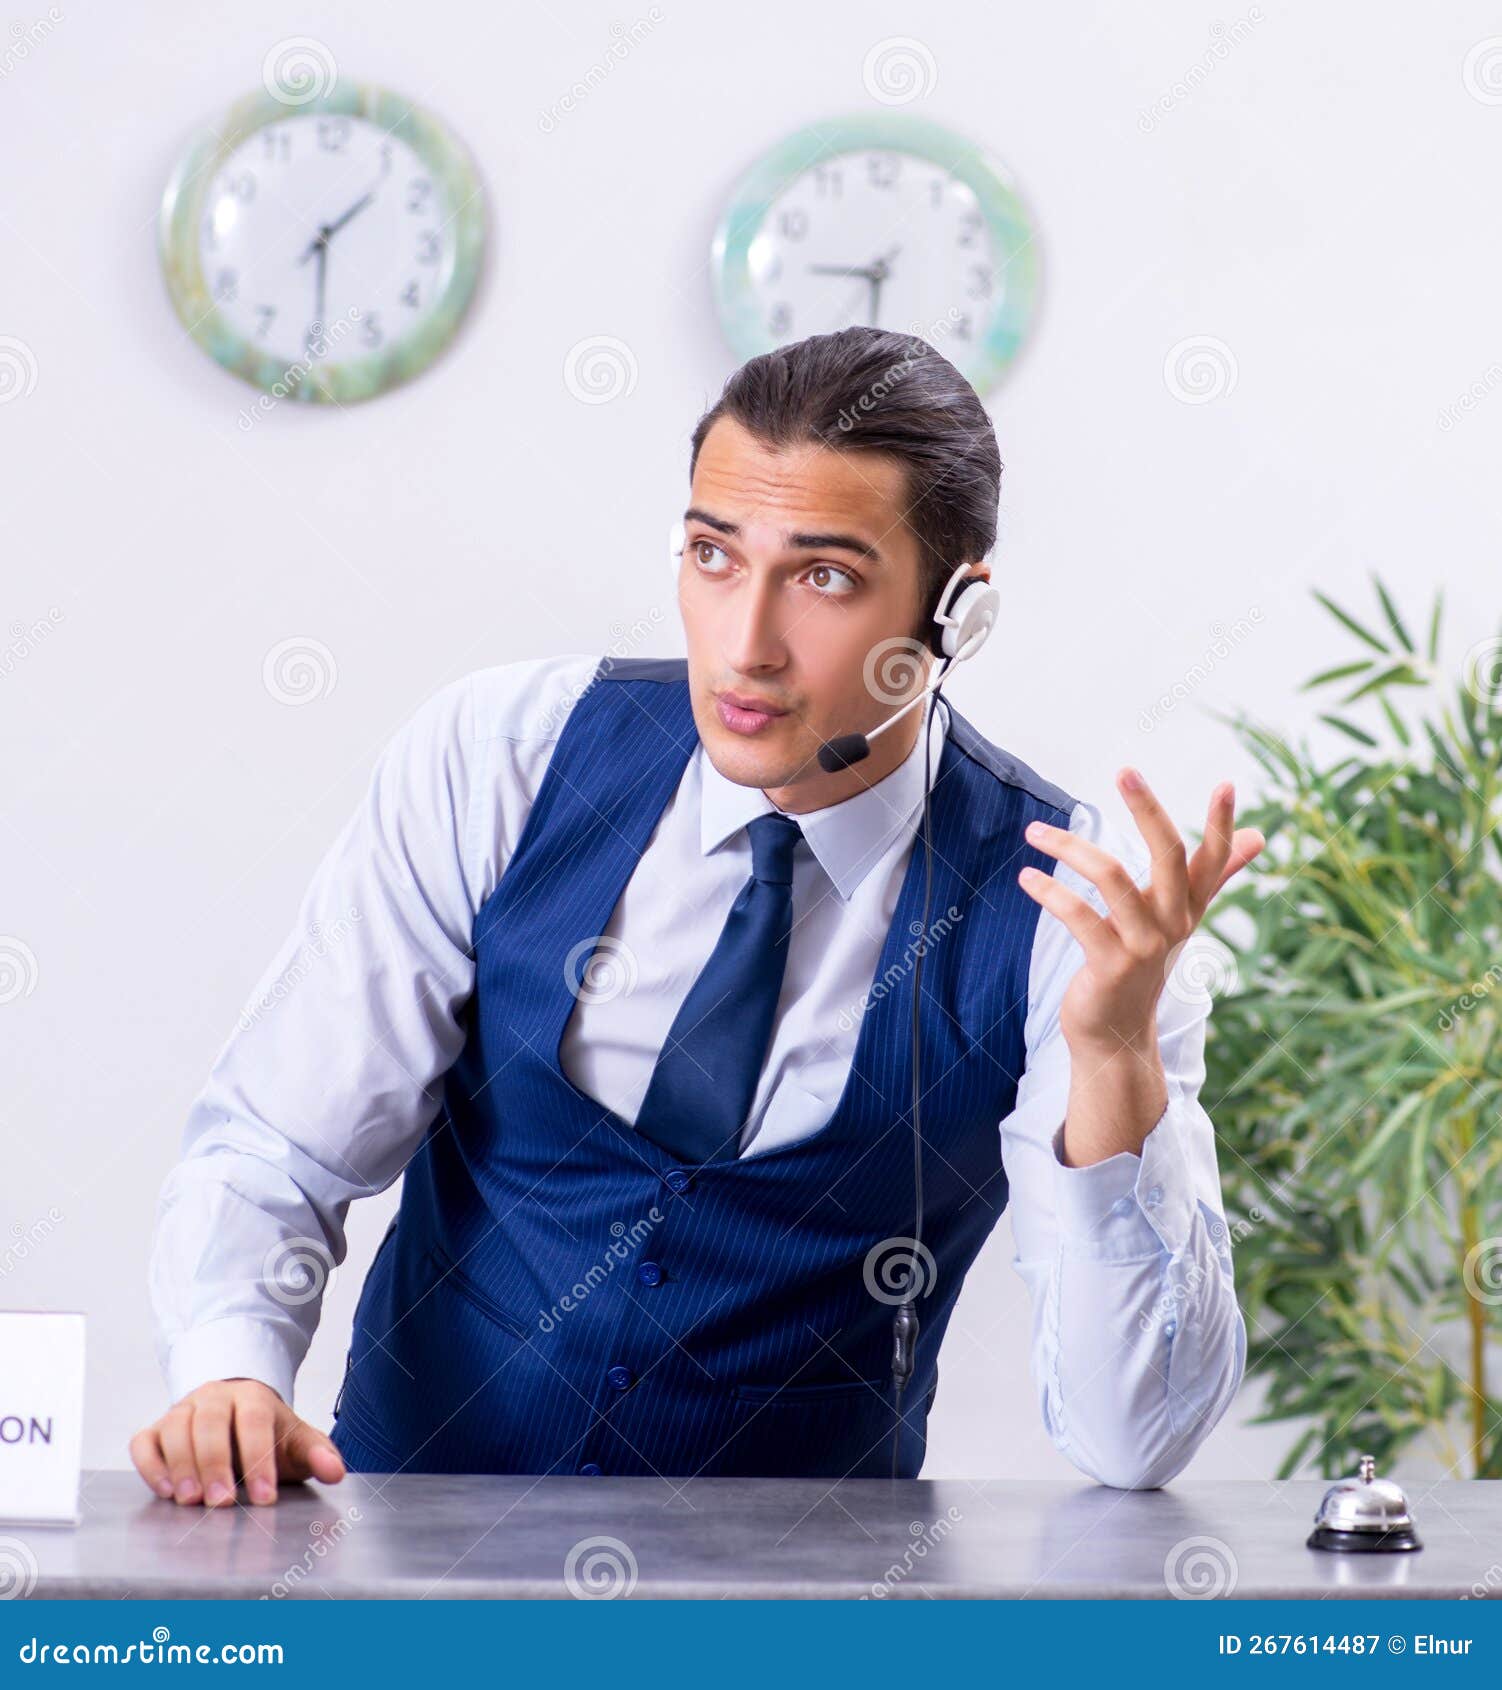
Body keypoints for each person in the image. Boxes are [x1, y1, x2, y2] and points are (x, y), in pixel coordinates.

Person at [132, 325, 1262, 1507]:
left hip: (799, 1620)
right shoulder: (502, 759)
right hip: (413, 1571)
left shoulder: (1062, 923)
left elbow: (1134, 1435)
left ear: (957, 614)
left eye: (823, 576)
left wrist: (1112, 1054)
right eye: (714, 555)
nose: (744, 642)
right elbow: (275, 1146)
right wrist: (228, 1371)